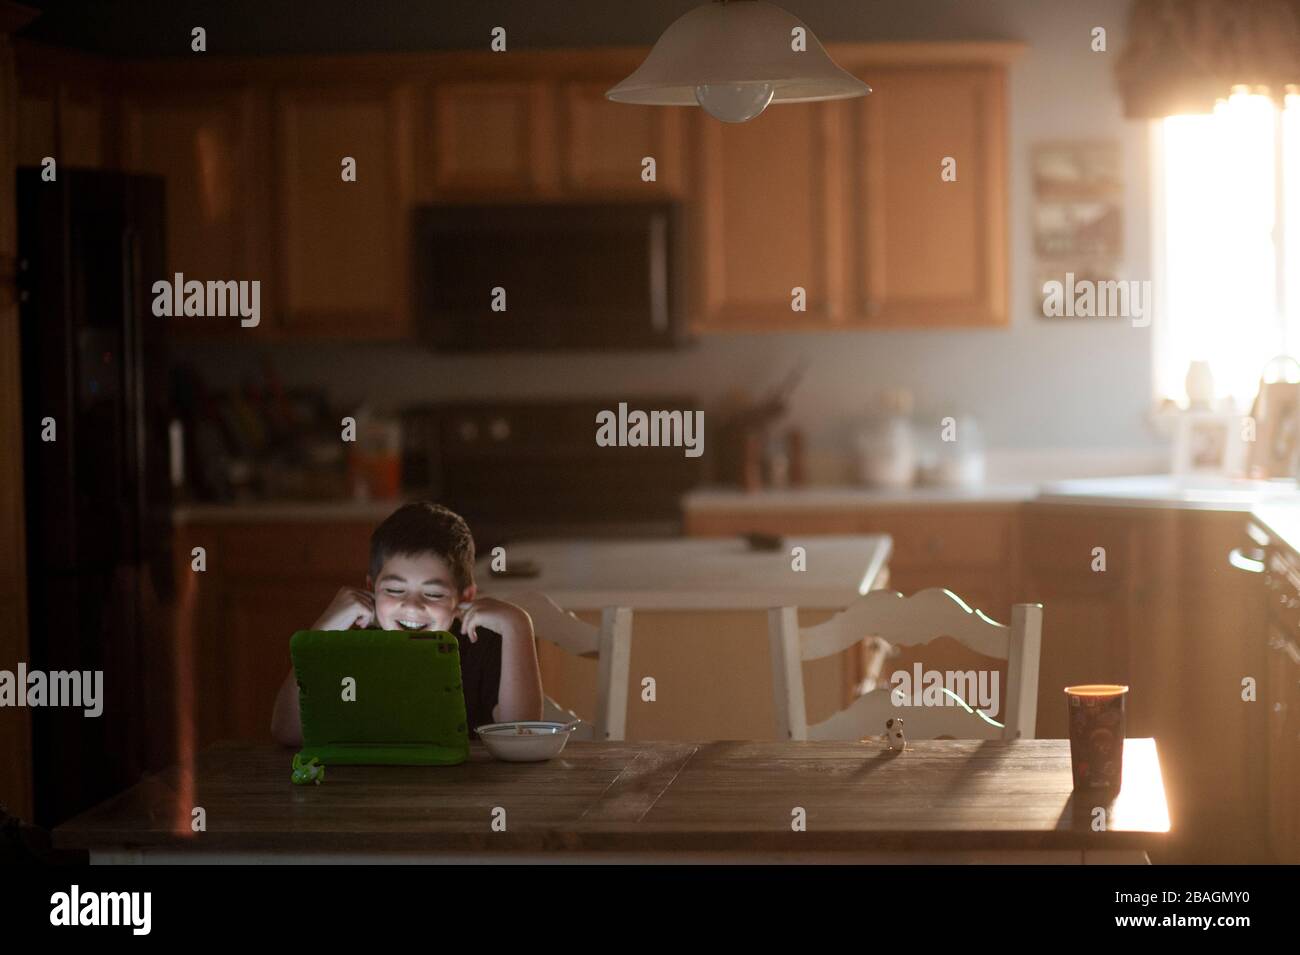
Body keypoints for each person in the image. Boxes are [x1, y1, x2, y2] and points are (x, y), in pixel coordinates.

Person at [270, 502, 542, 745]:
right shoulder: (350, 643)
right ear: (371, 588)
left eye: (433, 593)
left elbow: (520, 737)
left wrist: (518, 625)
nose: (412, 605)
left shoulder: (483, 644)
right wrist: (322, 632)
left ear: (465, 597)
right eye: (394, 590)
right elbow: (287, 732)